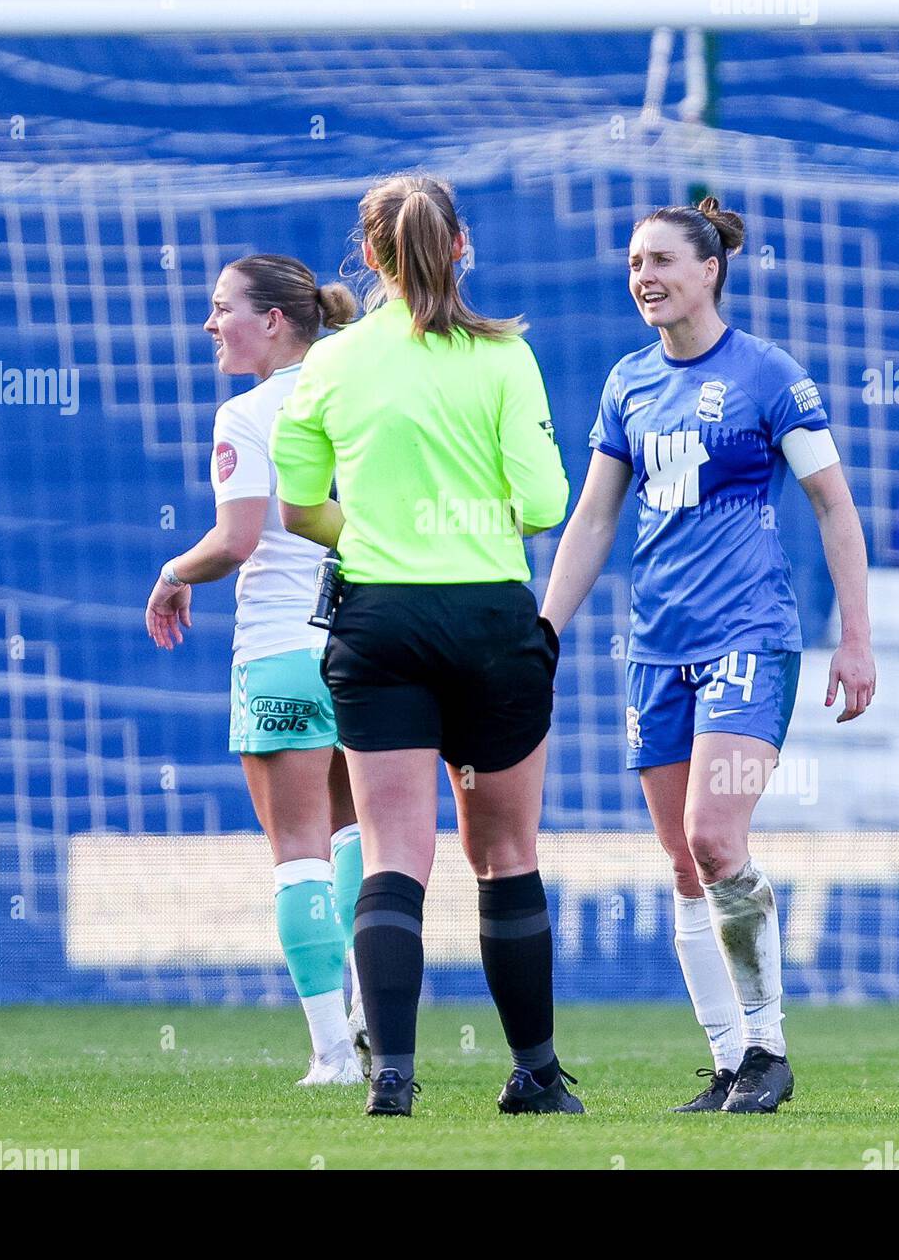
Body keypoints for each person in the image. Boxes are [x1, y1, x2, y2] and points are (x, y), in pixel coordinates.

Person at [541, 198, 876, 1114]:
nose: (642, 276)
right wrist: (546, 628)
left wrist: (855, 637)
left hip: (750, 636)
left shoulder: (769, 374)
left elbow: (834, 505)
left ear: (709, 269)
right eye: (634, 263)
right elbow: (597, 516)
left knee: (715, 837)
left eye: (659, 260)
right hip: (656, 652)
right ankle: (731, 1061)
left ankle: (770, 1049)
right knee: (683, 864)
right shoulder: (628, 383)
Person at [269, 173, 580, 1118]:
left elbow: (297, 509)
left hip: (383, 623)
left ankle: (391, 1077)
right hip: (489, 619)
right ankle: (534, 1075)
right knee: (506, 853)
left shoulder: (331, 363)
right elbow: (545, 506)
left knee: (397, 855)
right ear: (460, 247)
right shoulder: (506, 358)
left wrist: (369, 531)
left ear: (370, 258)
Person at [145, 254, 368, 1086]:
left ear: (273, 319)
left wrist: (173, 572)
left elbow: (236, 542)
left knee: (299, 854)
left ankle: (333, 1056)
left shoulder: (249, 413)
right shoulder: (365, 391)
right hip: (371, 646)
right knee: (362, 839)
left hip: (282, 649)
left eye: (221, 308)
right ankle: (372, 1022)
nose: (210, 325)